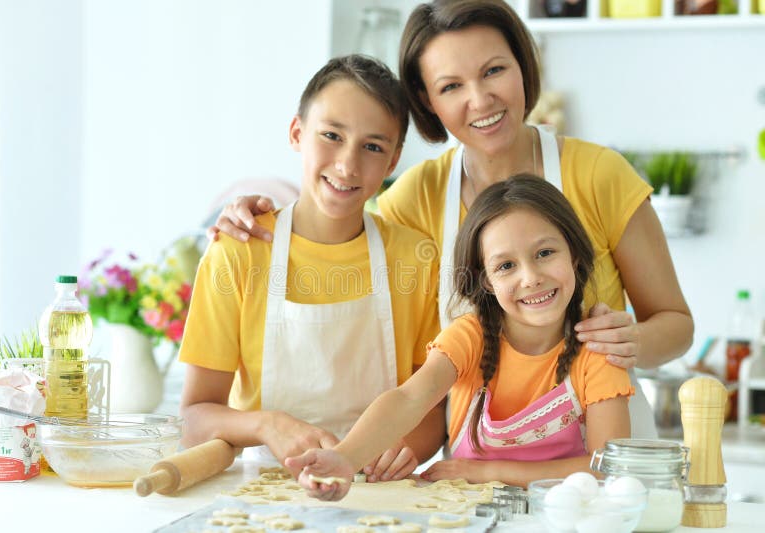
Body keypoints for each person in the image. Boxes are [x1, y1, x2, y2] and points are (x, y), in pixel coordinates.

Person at [210, 0, 693, 440]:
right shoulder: (414, 198)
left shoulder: (599, 174)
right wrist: (254, 213)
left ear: (523, 67)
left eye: (494, 70)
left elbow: (676, 324)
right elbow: (336, 222)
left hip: (608, 464)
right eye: (451, 86)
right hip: (478, 471)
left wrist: (632, 341)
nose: (480, 100)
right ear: (427, 102)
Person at [286, 175, 633, 499]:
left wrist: (486, 472)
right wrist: (345, 458)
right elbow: (409, 399)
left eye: (545, 253)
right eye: (506, 266)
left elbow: (606, 468)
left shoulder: (599, 349)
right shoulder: (470, 337)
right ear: (486, 281)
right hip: (465, 511)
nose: (531, 277)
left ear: (574, 255)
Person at [178, 55, 442, 480]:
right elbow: (193, 419)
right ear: (297, 133)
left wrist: (399, 447)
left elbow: (432, 406)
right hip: (264, 490)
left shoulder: (416, 258)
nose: (347, 164)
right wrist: (268, 425)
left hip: (377, 488)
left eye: (373, 147)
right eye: (332, 135)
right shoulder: (239, 252)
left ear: (393, 162)